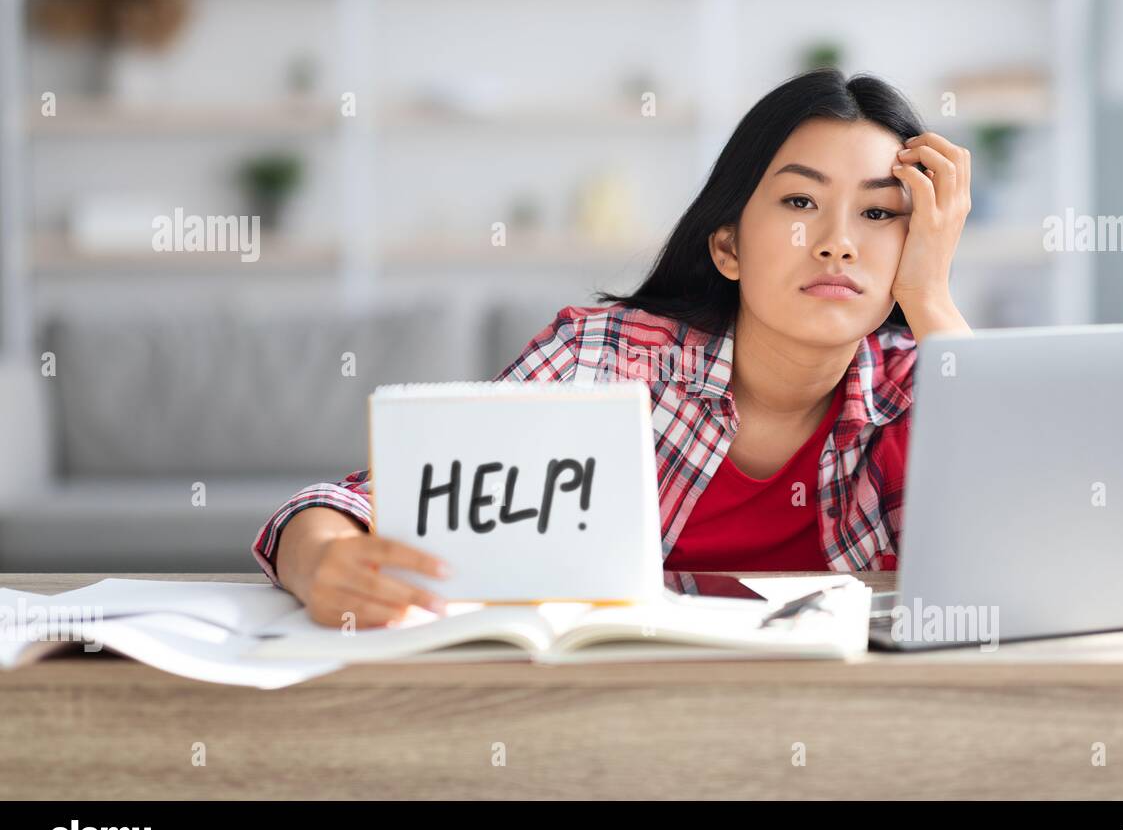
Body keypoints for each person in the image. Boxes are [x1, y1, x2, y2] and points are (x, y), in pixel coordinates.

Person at [251, 67, 973, 627]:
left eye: (880, 213)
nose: (838, 243)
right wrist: (325, 562)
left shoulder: (925, 385)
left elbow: (1043, 553)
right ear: (728, 246)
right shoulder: (600, 361)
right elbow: (351, 506)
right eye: (799, 203)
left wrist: (931, 299)